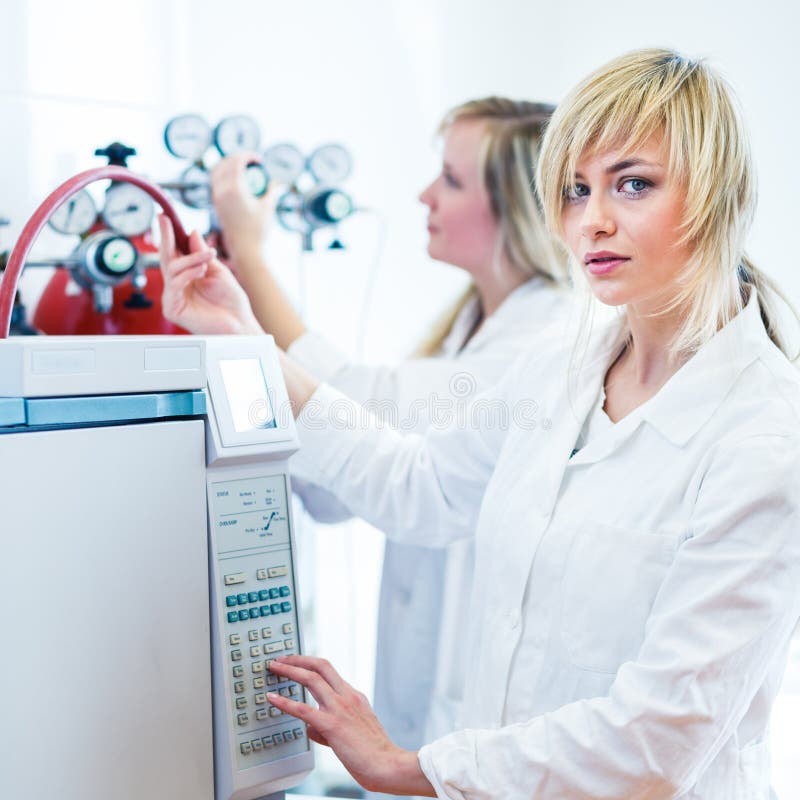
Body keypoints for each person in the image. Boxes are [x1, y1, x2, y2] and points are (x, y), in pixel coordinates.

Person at [252, 49, 798, 798]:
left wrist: (407, 768)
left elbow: (658, 742)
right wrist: (251, 352)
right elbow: (425, 489)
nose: (593, 221)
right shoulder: (559, 368)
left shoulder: (763, 439)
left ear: (716, 197)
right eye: (575, 191)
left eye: (632, 184)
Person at [159, 98, 572, 761]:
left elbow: (358, 407)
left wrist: (251, 256)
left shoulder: (542, 338)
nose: (424, 194)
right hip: (420, 712)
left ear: (516, 211)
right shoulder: (467, 333)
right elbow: (349, 470)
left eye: (452, 180)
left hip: (477, 724)